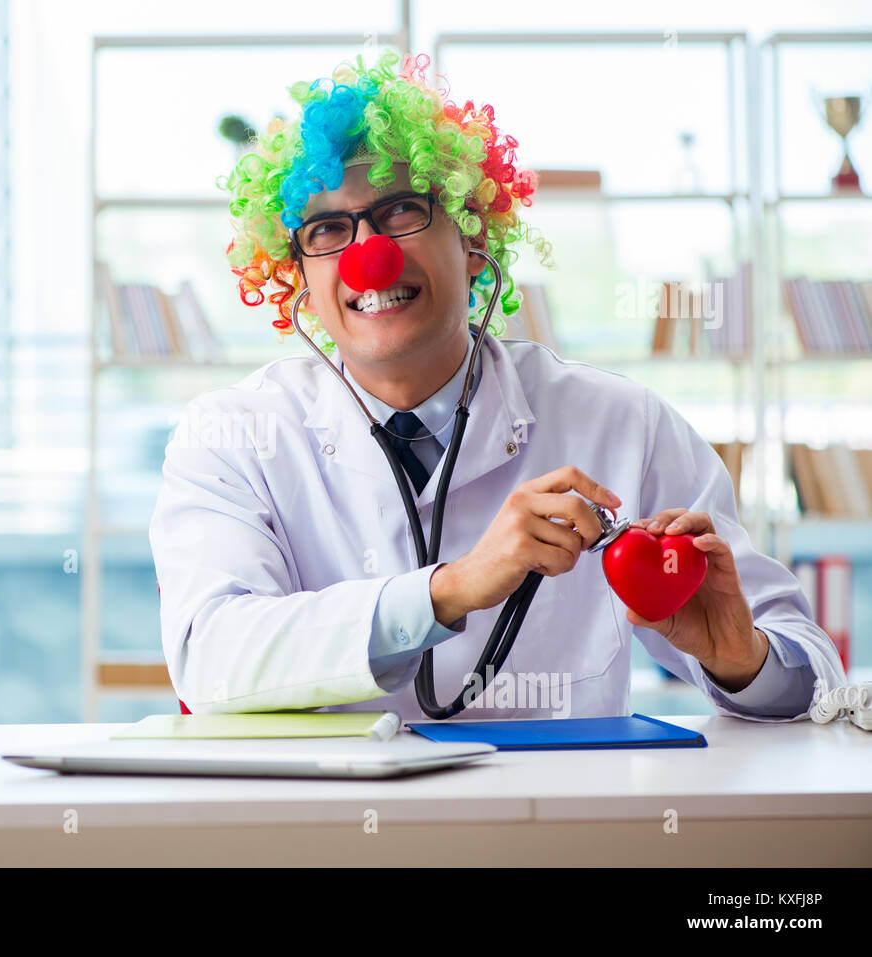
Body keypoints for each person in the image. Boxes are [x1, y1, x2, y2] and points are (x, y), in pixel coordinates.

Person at [147, 50, 845, 722]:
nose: (369, 257)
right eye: (329, 228)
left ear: (473, 234)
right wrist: (448, 589)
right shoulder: (233, 435)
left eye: (399, 211)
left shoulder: (621, 423)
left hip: (553, 832)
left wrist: (741, 660)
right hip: (330, 834)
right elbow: (210, 657)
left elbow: (814, 674)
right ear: (298, 275)